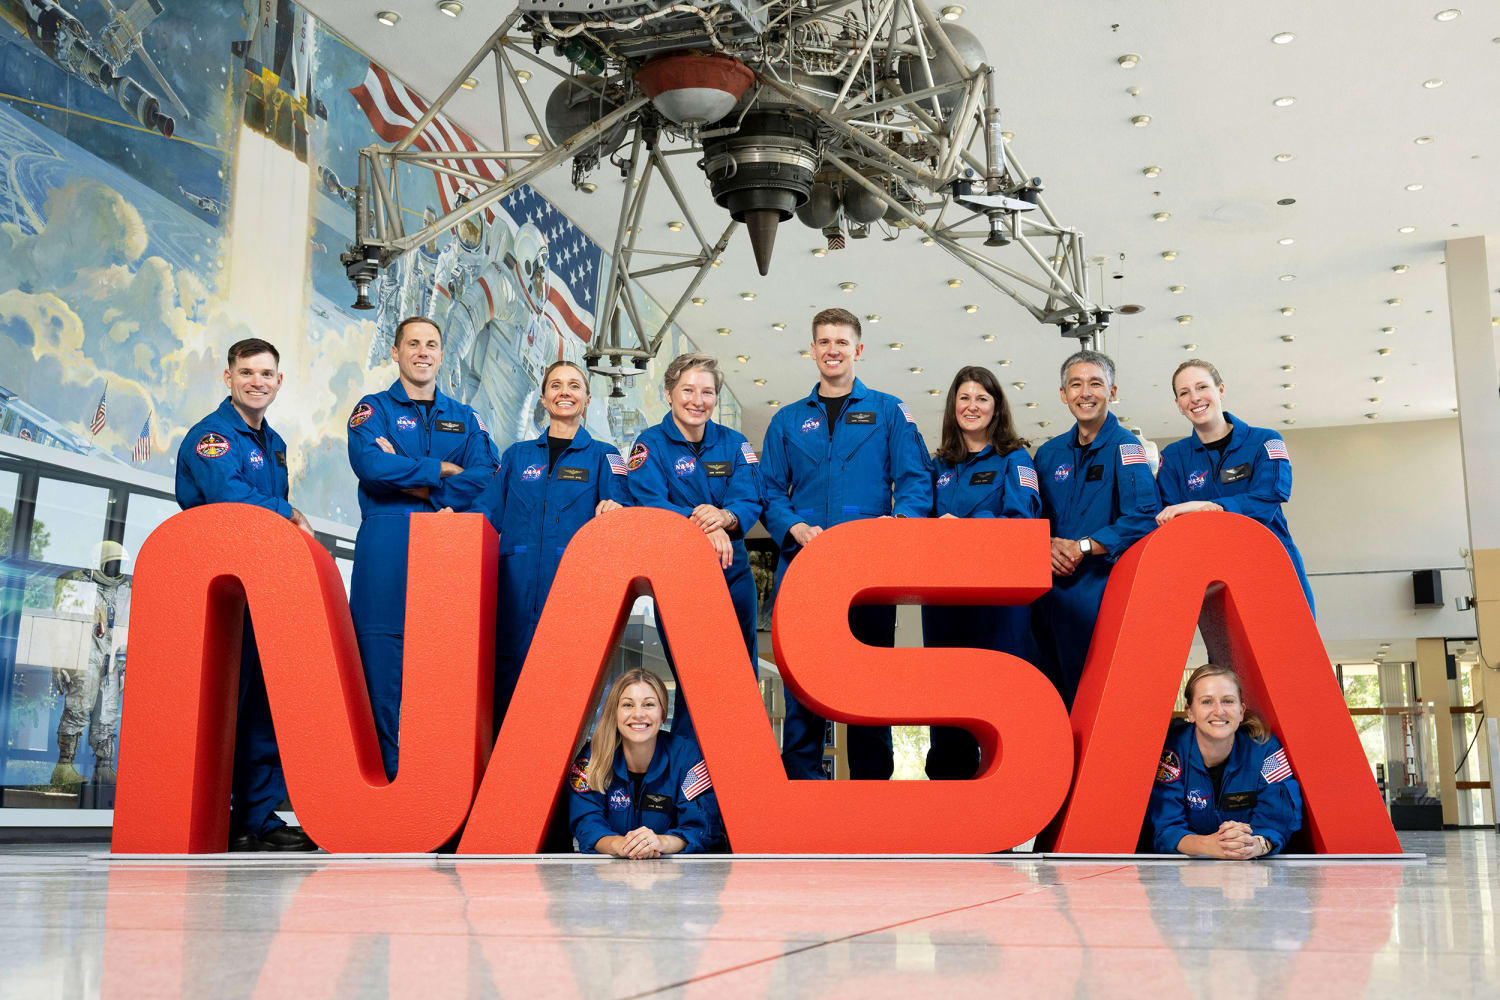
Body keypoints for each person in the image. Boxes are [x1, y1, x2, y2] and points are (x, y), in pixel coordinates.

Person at [760, 307, 933, 780]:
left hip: (868, 577)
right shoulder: (787, 421)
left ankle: (872, 801)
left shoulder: (889, 411)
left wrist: (898, 524)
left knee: (869, 688)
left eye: (841, 342)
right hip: (804, 570)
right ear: (812, 350)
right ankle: (802, 796)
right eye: (824, 342)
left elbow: (915, 480)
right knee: (802, 691)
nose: (832, 350)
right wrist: (795, 528)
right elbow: (769, 491)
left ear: (858, 350)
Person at [175, 337, 317, 851]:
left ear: (279, 381)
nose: (257, 382)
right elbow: (227, 497)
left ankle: (255, 816)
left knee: (263, 702)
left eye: (266, 374)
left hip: (260, 583)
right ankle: (214, 814)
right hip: (219, 590)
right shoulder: (213, 436)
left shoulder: (271, 441)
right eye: (246, 372)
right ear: (228, 378)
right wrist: (288, 513)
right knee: (222, 703)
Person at [346, 315, 498, 779]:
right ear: (396, 353)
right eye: (413, 344)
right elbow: (371, 466)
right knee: (380, 663)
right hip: (387, 546)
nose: (422, 352)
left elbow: (487, 477)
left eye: (431, 344)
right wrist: (442, 470)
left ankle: (434, 786)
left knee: (442, 665)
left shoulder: (466, 418)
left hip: (448, 545)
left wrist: (412, 476)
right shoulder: (372, 409)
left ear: (442, 354)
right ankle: (385, 783)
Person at [474, 360, 627, 725]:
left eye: (574, 386)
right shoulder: (517, 456)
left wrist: (617, 509)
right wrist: (453, 521)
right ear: (543, 398)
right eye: (555, 385)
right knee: (505, 691)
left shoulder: (605, 456)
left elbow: (622, 512)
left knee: (564, 694)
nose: (564, 392)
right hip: (513, 594)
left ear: (587, 399)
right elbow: (485, 513)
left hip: (572, 593)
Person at [622, 353, 765, 744]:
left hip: (733, 576)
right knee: (694, 681)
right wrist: (703, 525)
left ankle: (741, 764)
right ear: (669, 393)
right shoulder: (649, 445)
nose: (697, 401)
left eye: (707, 392)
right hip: (679, 580)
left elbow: (750, 498)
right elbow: (649, 503)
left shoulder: (735, 444)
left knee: (740, 679)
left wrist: (726, 517)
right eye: (688, 390)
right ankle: (690, 775)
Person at [922, 366, 1042, 779]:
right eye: (964, 398)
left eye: (982, 399)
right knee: (947, 708)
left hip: (997, 608)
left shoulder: (1015, 459)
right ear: (953, 406)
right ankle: (948, 808)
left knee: (999, 707)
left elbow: (1023, 522)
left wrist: (968, 529)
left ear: (996, 407)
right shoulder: (938, 466)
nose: (971, 407)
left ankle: (1006, 808)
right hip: (944, 606)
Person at [1032, 350, 1161, 708]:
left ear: (1112, 392)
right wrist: (1046, 545)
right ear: (1063, 394)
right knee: (1049, 698)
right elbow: (1031, 517)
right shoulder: (1048, 454)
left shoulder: (1127, 447)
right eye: (1076, 385)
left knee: (1098, 697)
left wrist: (1083, 547)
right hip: (1047, 595)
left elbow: (1143, 517)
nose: (1085, 393)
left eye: (1096, 384)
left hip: (1101, 593)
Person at [1157, 359, 1314, 611]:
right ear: (1178, 404)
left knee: (1291, 636)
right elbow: (1169, 519)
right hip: (1216, 581)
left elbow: (1269, 497)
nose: (1194, 398)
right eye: (1184, 393)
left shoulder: (1266, 441)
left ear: (1220, 390)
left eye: (1202, 387)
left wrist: (1209, 507)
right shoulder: (1174, 458)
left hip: (1272, 567)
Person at [1146, 663, 1303, 858]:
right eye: (1206, 702)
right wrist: (1210, 845)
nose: (1219, 711)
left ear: (1241, 711)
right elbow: (1165, 828)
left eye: (1228, 701)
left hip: (1249, 865)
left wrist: (1255, 845)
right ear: (1190, 712)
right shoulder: (1171, 751)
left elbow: (1279, 819)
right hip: (1185, 870)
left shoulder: (1265, 749)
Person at [568, 669, 723, 857]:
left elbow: (701, 826)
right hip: (610, 869)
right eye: (628, 705)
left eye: (649, 704)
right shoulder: (592, 757)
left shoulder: (686, 757)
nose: (638, 714)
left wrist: (661, 842)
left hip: (671, 870)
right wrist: (620, 845)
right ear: (615, 713)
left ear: (663, 712)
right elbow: (586, 822)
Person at [49, 540, 130, 790]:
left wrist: (125, 664)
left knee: (107, 712)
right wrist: (61, 660)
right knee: (79, 707)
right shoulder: (79, 583)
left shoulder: (126, 589)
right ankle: (63, 766)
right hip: (86, 653)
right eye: (112, 561)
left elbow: (128, 628)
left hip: (113, 657)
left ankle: (103, 768)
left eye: (120, 563)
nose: (116, 567)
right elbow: (64, 623)